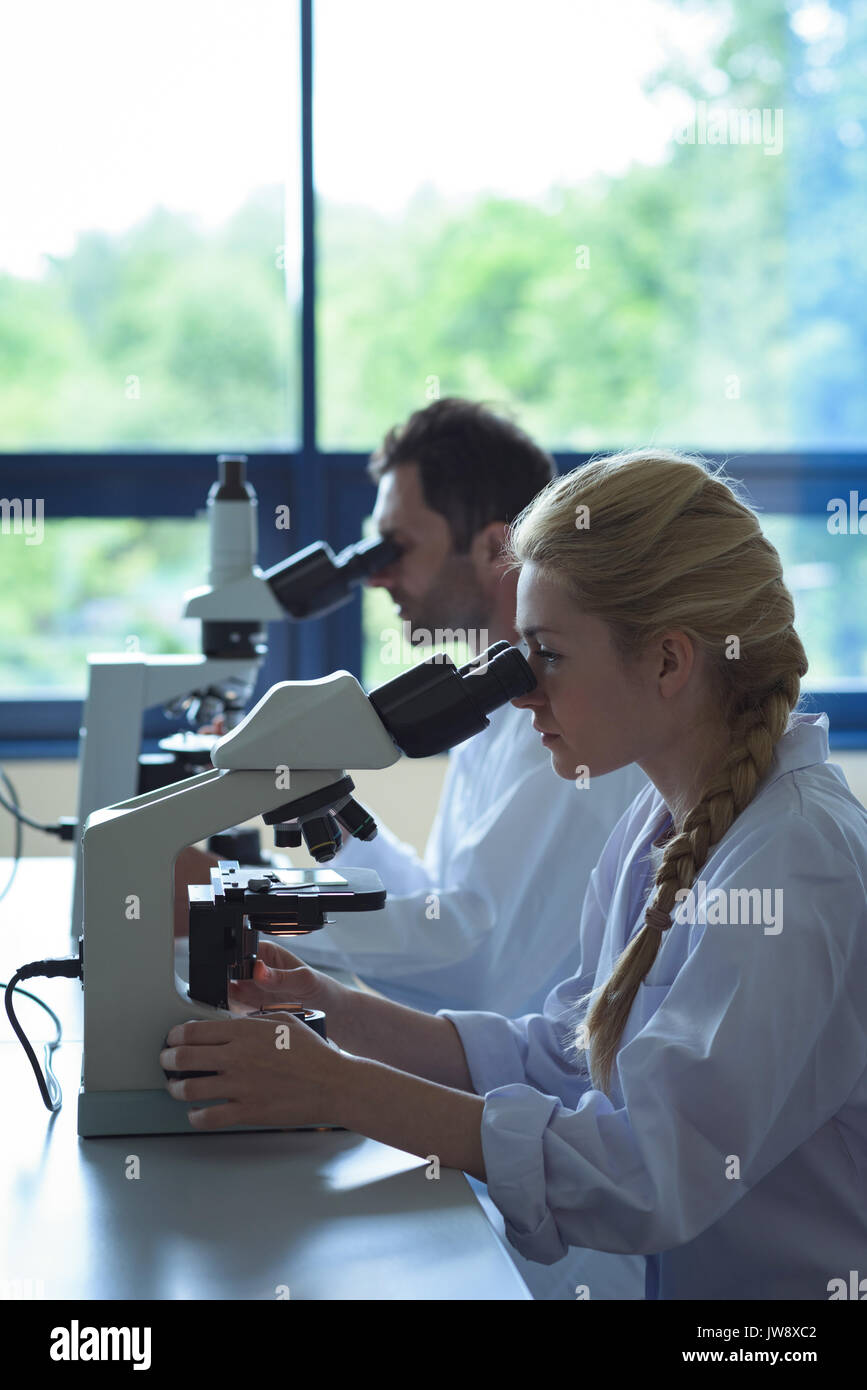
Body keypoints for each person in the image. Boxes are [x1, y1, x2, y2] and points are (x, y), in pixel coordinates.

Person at [162, 447, 867, 1301]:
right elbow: (566, 1060)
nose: (521, 691)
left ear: (670, 662)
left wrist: (336, 1087)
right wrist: (340, 1014)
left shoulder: (794, 865)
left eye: (546, 656)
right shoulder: (658, 826)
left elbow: (647, 1176)